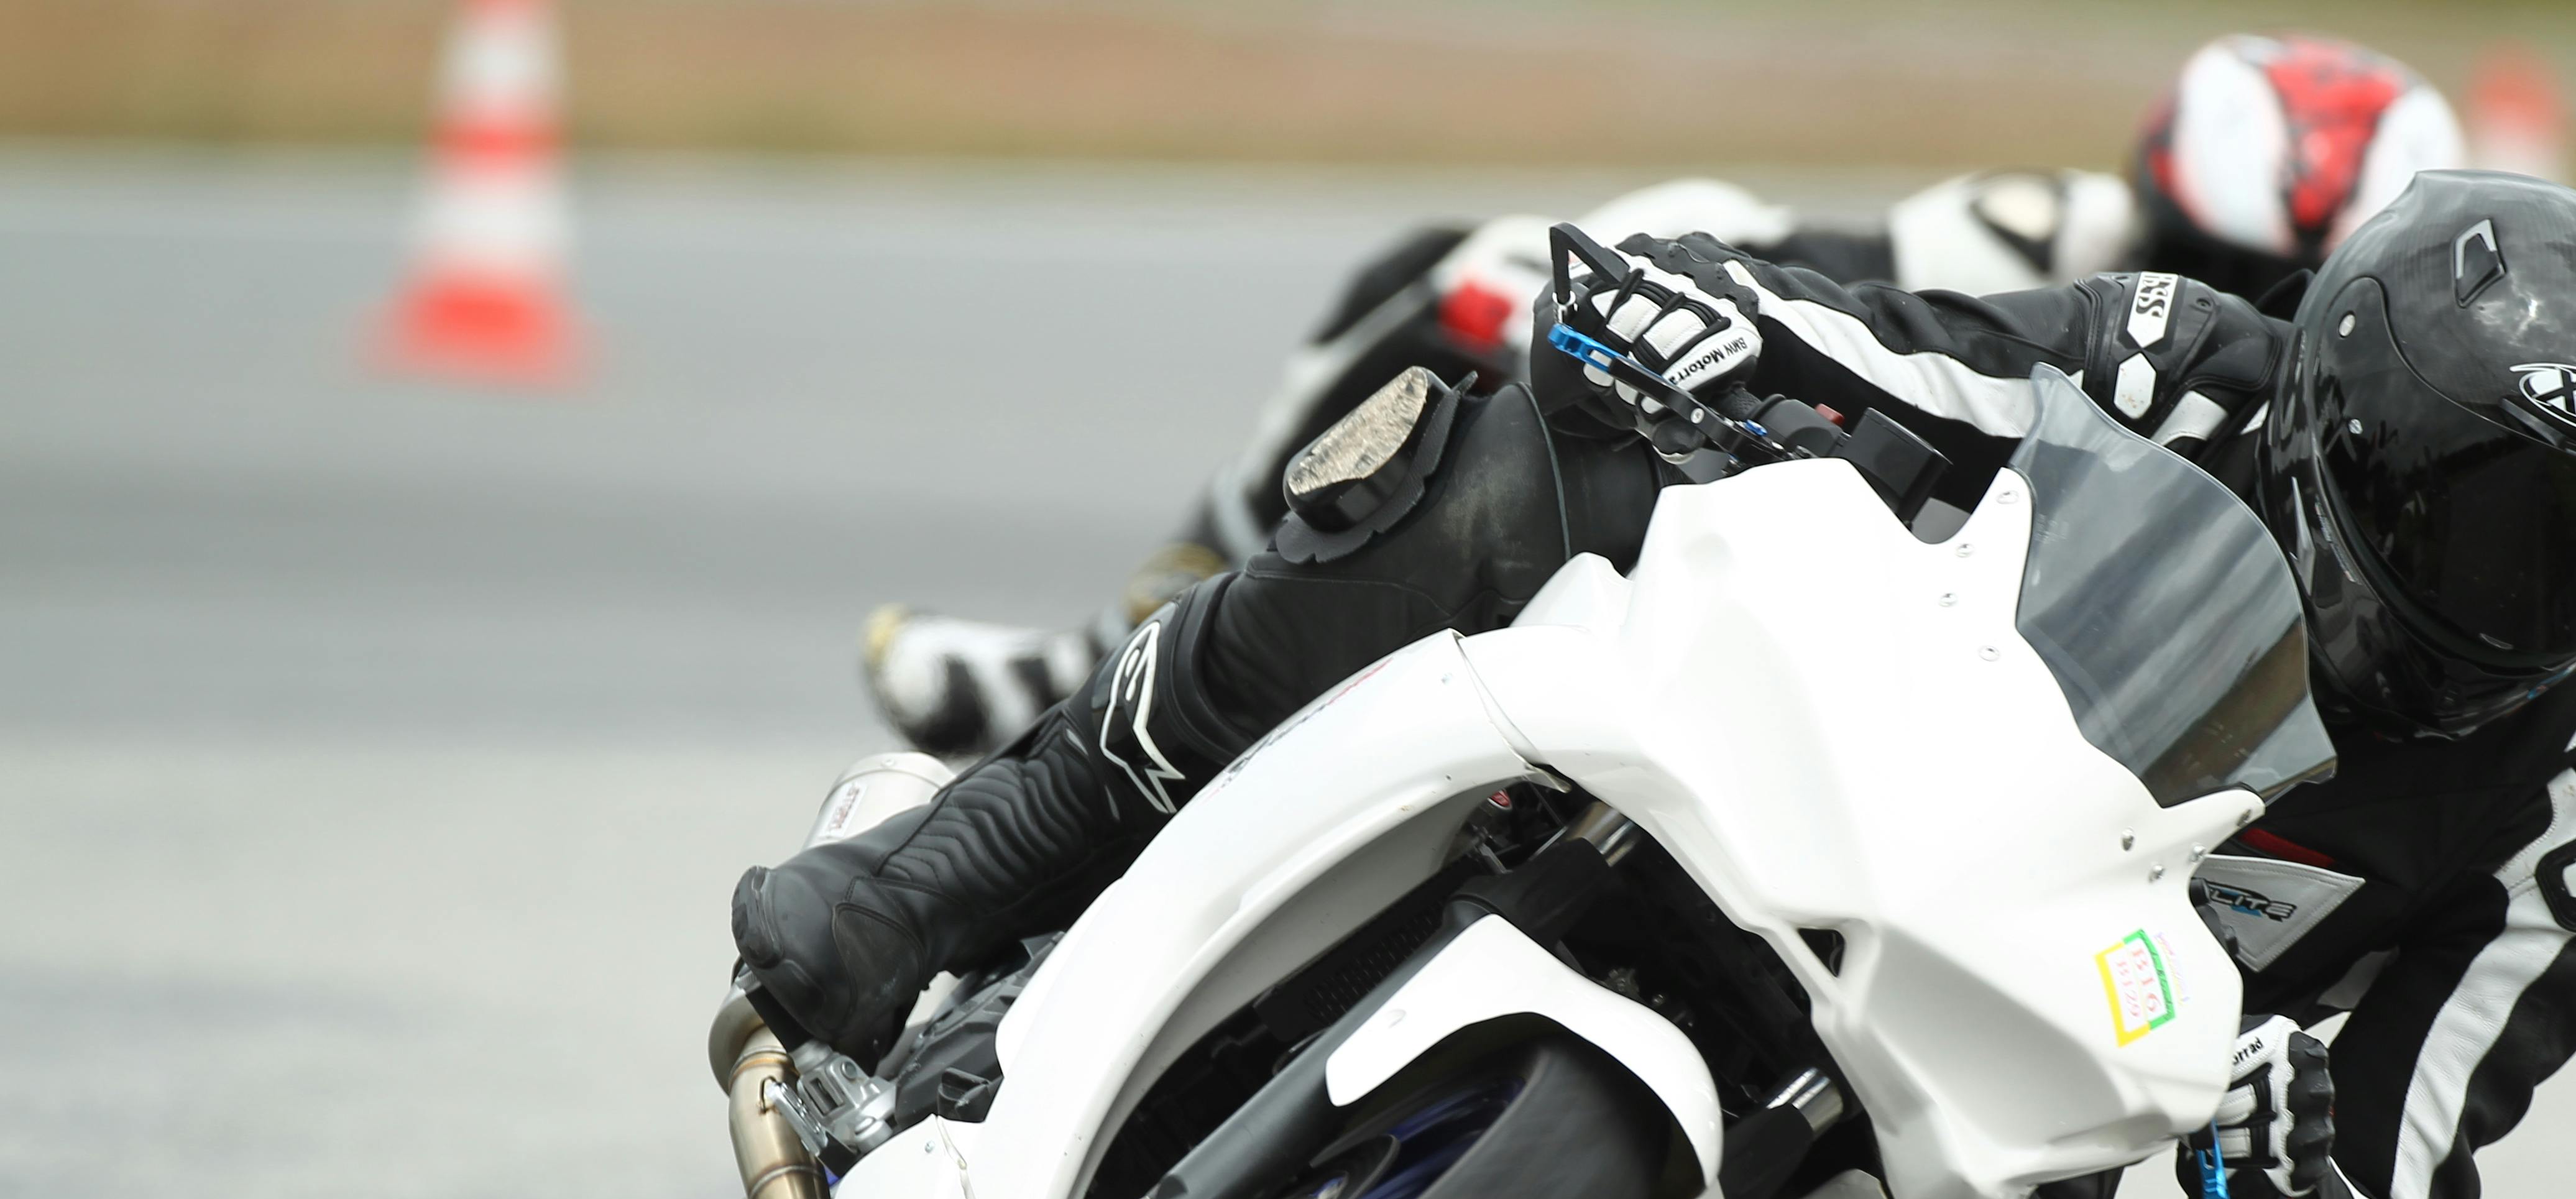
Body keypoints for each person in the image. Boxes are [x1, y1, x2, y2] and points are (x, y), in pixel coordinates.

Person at [732, 168, 2576, 1199]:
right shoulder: (2184, 363)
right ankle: (946, 871)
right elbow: (1884, 346)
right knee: (1513, 465)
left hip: (1942, 1082)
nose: (2500, 597)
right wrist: (1698, 310)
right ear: (2334, 410)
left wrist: (2288, 1195)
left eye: (2574, 549)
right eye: (2462, 518)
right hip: (1773, 784)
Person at [865, 32, 2469, 760]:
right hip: (1861, 549)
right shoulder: (2068, 250)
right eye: (2220, 265)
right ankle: (1128, 646)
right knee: (1474, 267)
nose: (2254, 334)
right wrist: (1672, 288)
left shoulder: (2435, 575)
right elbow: (1857, 293)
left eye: (2294, 302)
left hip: (2073, 741)